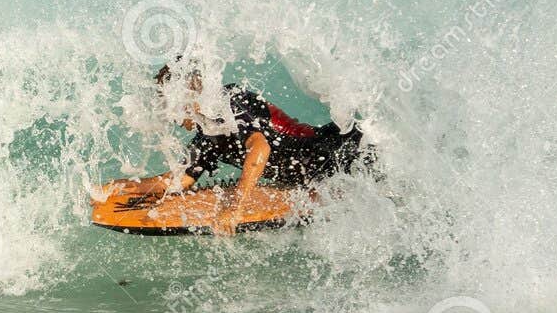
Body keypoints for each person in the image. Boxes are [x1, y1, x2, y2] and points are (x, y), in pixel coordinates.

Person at [115, 64, 370, 236]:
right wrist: (112, 190)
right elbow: (178, 181)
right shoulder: (208, 134)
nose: (166, 110)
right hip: (316, 173)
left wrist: (235, 206)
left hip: (347, 153)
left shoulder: (232, 102)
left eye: (167, 101)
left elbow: (260, 148)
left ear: (189, 96)